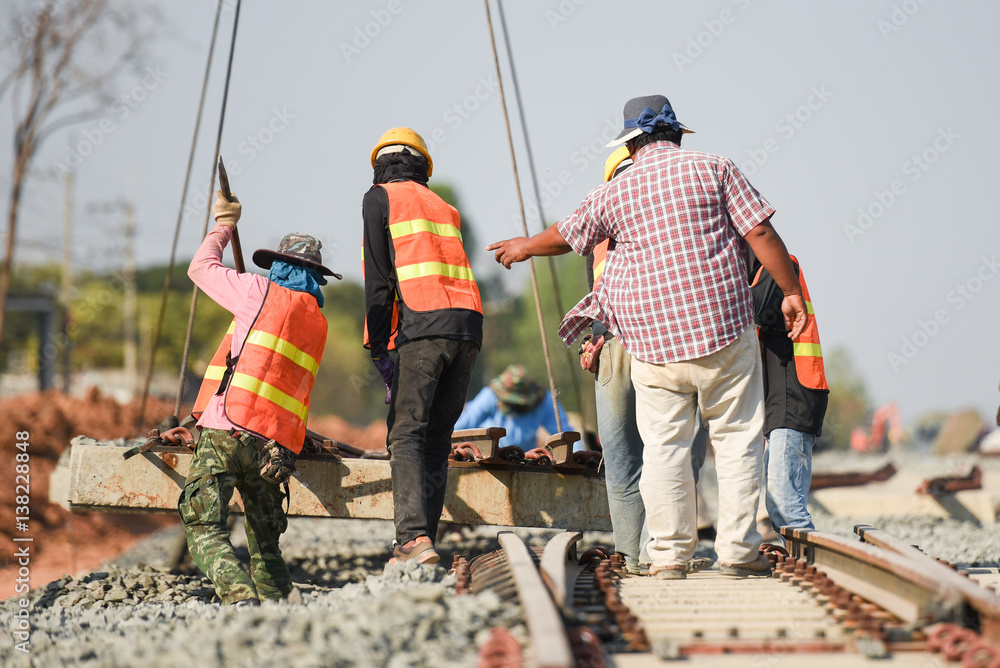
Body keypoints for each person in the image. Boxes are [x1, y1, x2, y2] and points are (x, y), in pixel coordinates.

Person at [488, 94, 807, 580]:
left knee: (664, 450)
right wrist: (789, 292)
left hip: (654, 345)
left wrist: (524, 246)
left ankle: (668, 557)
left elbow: (567, 235)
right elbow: (760, 233)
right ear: (676, 135)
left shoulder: (615, 191)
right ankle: (739, 552)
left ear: (632, 143)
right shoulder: (716, 168)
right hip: (724, 331)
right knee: (738, 441)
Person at [180, 191, 337, 605]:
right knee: (265, 543)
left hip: (227, 431)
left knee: (204, 526)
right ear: (315, 277)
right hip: (275, 446)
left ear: (280, 266)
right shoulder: (318, 322)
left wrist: (224, 225)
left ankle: (239, 596)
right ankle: (280, 602)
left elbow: (200, 268)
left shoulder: (256, 292)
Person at [579, 147, 712, 576]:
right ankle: (664, 553)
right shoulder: (674, 208)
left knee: (622, 460)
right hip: (668, 341)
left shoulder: (598, 220)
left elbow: (597, 295)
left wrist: (593, 339)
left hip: (616, 346)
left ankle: (633, 557)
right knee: (675, 453)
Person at [363, 127, 483, 565]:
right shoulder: (443, 206)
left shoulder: (380, 197)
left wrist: (377, 344)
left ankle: (412, 539)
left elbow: (378, 280)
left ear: (381, 164)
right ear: (421, 166)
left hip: (424, 324)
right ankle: (422, 541)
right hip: (469, 326)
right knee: (435, 438)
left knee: (407, 433)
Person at [748, 249, 829, 535]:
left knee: (786, 506)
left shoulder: (780, 267)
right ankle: (805, 562)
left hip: (795, 397)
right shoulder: (758, 273)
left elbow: (750, 310)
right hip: (784, 400)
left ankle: (808, 564)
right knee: (781, 503)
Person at [454, 363, 570, 450]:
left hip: (523, 461)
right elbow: (462, 425)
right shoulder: (490, 395)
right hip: (486, 457)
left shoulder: (543, 400)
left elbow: (565, 434)